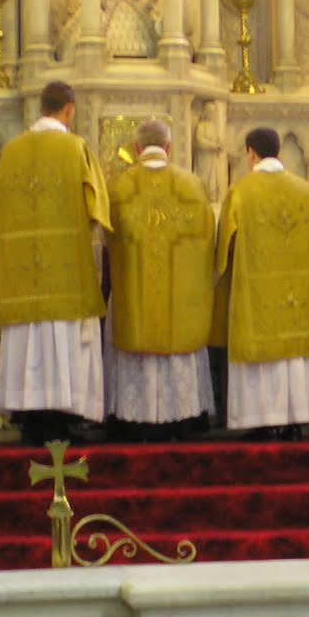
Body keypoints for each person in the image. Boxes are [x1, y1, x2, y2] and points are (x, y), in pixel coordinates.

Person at [0, 80, 112, 445]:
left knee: (27, 339)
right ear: (69, 109)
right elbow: (97, 208)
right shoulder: (76, 148)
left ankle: (28, 415)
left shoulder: (12, 151)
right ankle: (60, 417)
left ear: (40, 108)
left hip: (20, 269)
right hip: (64, 265)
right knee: (60, 338)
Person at [212, 126, 309, 439]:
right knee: (292, 353)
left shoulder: (241, 191)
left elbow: (224, 247)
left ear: (250, 153)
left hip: (256, 288)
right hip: (295, 293)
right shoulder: (305, 190)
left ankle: (261, 422)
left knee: (260, 353)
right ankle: (293, 420)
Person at [103, 118, 215, 440]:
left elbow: (109, 243)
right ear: (169, 147)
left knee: (133, 327)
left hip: (133, 293)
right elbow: (206, 242)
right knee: (177, 330)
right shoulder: (192, 185)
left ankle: (133, 420)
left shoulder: (118, 187)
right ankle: (181, 419)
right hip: (179, 299)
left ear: (137, 149)